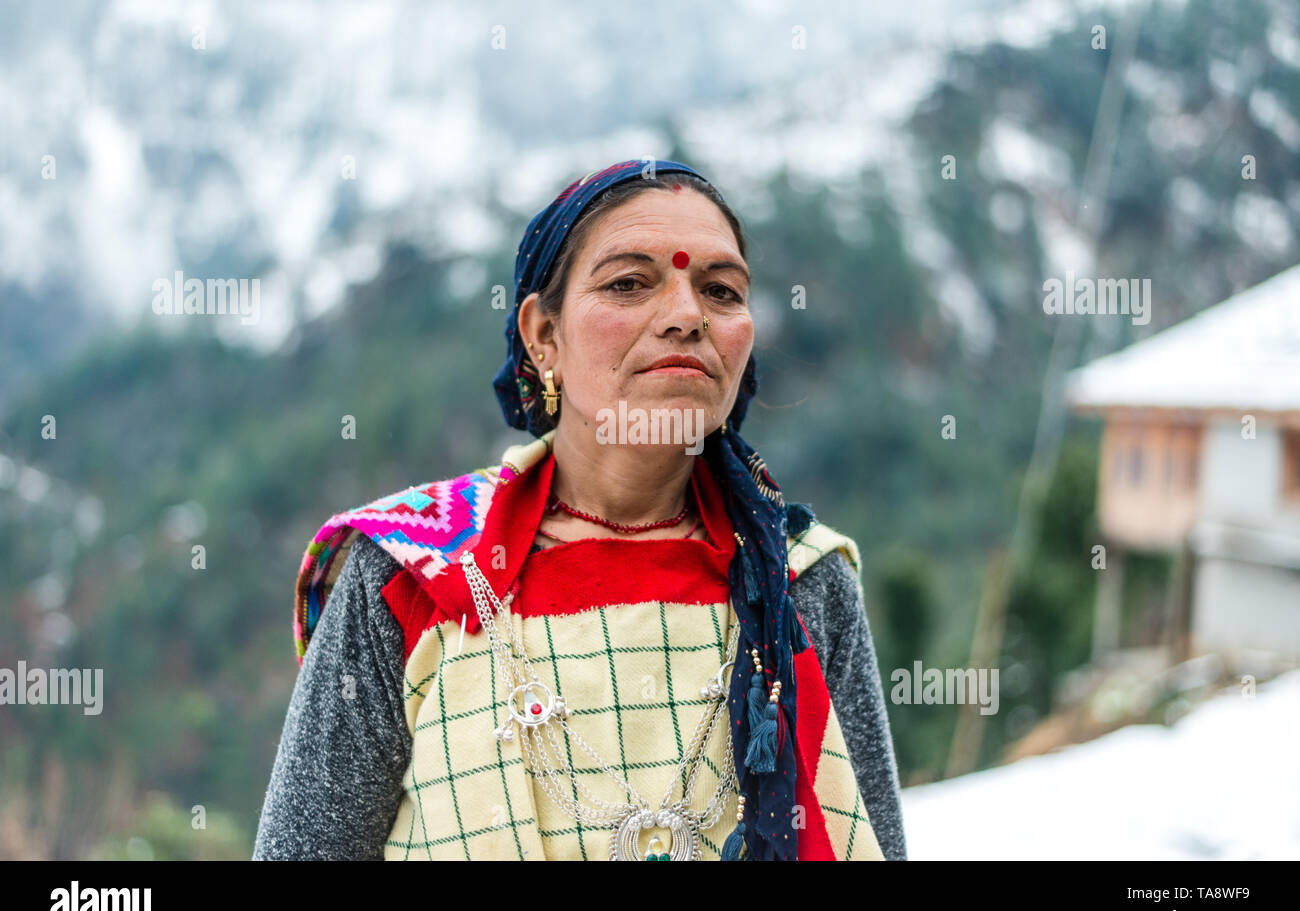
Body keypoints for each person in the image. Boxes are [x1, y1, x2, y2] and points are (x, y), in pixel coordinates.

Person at [253, 158, 907, 861]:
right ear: (543, 337)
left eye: (721, 290)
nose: (688, 315)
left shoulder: (800, 581)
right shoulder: (411, 573)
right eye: (628, 283)